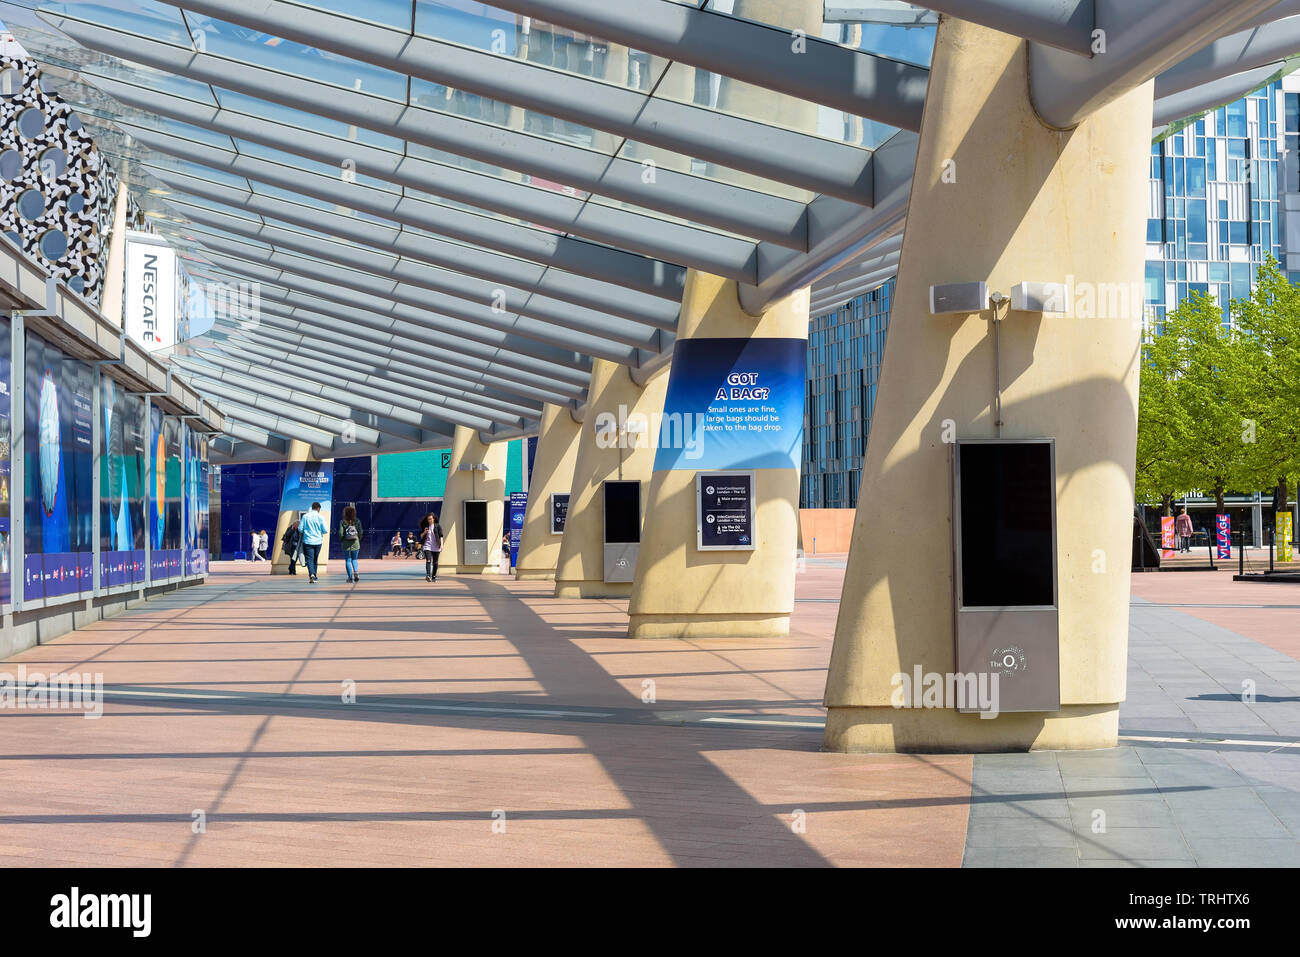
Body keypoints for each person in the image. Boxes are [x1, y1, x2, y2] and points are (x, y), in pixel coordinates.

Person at [298, 502, 328, 583]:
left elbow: (300, 529)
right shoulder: (321, 517)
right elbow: (325, 530)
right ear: (318, 508)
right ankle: (314, 575)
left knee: (309, 559)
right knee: (315, 559)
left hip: (307, 541)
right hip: (318, 541)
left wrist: (306, 531)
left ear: (312, 508)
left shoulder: (305, 516)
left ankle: (312, 574)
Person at [339, 505, 363, 583]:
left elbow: (340, 533)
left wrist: (342, 539)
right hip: (355, 542)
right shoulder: (357, 521)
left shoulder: (343, 522)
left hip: (346, 543)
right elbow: (360, 532)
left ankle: (350, 578)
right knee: (354, 559)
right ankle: (356, 571)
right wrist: (358, 539)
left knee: (348, 560)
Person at [419, 512, 443, 582]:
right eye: (428, 519)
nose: (430, 520)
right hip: (427, 546)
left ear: (434, 519)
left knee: (435, 562)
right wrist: (424, 532)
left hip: (436, 546)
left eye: (431, 519)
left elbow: (441, 536)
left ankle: (434, 576)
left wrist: (442, 545)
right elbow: (421, 536)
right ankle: (428, 575)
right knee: (428, 560)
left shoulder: (437, 526)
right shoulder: (426, 527)